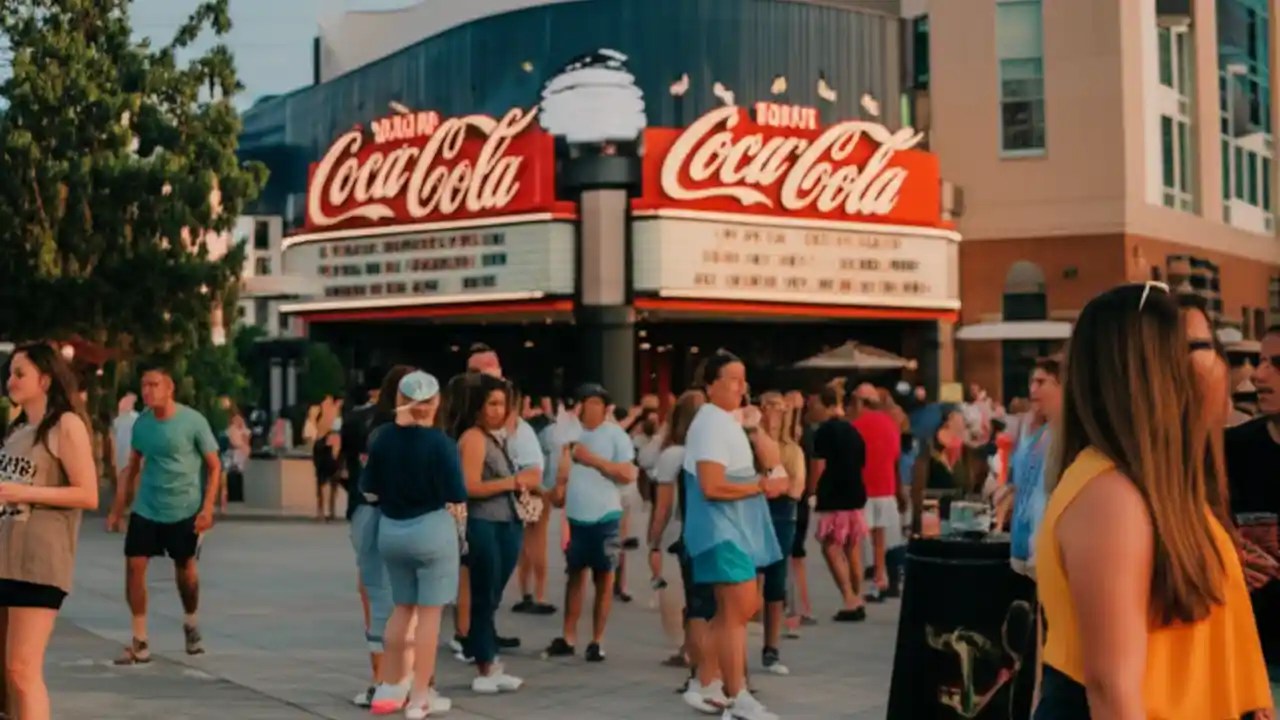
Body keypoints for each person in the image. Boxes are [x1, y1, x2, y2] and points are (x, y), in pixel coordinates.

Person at [1036, 282, 1272, 719]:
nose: (1222, 365)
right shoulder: (1110, 496)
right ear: (1149, 371)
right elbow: (1113, 691)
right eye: (1198, 347)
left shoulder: (1165, 489)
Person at [682, 351, 786, 720]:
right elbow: (711, 486)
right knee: (737, 609)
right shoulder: (710, 423)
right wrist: (759, 486)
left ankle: (708, 683)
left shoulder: (725, 421)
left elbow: (773, 462)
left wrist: (758, 428)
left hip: (729, 529)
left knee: (736, 610)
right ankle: (736, 693)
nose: (741, 386)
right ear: (710, 385)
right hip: (720, 529)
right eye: (732, 379)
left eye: (743, 379)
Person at [0, 344, 99, 720]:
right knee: (5, 677)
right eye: (10, 372)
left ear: (45, 379)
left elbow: (88, 493)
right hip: (6, 556)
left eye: (20, 373)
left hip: (39, 562)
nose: (11, 380)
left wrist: (25, 491)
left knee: (22, 670)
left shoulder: (65, 425)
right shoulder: (19, 430)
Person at [363, 371, 463, 718]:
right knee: (430, 616)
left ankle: (388, 688)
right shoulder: (441, 443)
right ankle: (421, 695)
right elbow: (456, 493)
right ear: (435, 403)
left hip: (391, 530)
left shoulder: (382, 439)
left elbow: (368, 488)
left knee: (401, 609)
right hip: (431, 529)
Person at [107, 364, 221, 664]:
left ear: (170, 388)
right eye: (144, 385)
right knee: (134, 566)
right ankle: (140, 639)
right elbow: (132, 467)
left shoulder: (193, 421)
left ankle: (191, 622)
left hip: (185, 508)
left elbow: (214, 466)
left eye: (154, 384)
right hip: (147, 507)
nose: (148, 391)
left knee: (185, 572)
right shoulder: (142, 424)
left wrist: (208, 508)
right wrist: (118, 509)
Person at [543, 383, 638, 662]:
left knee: (604, 577)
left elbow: (628, 473)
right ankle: (568, 636)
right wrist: (558, 486)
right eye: (585, 402)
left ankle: (597, 639)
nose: (589, 408)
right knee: (574, 575)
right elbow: (559, 473)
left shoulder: (615, 435)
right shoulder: (568, 435)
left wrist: (593, 460)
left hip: (606, 515)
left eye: (596, 403)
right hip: (574, 516)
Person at [453, 374, 536, 693]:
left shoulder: (498, 439)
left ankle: (484, 652)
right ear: (478, 407)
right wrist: (510, 483)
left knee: (494, 593)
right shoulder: (473, 439)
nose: (499, 410)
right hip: (485, 522)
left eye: (503, 404)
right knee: (484, 592)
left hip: (506, 521)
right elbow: (469, 486)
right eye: (493, 403)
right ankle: (485, 662)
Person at [343, 367, 411, 709]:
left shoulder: (361, 422)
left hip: (367, 512)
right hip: (405, 515)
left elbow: (349, 469)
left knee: (373, 593)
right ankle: (405, 677)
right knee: (406, 598)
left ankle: (381, 678)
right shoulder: (421, 429)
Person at [1227, 324, 1280, 696]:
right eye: (1260, 361)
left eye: (1277, 363)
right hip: (1251, 665)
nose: (1258, 375)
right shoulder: (1230, 450)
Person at [647, 390, 705, 670]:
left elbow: (663, 507)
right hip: (711, 530)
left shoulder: (672, 455)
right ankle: (696, 651)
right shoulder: (709, 451)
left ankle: (691, 652)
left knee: (688, 596)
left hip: (679, 531)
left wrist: (653, 540)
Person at [808, 386, 868, 622]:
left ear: (825, 404)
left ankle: (849, 598)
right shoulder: (853, 431)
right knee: (852, 545)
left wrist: (812, 492)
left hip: (833, 494)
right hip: (855, 491)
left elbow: (818, 466)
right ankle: (858, 595)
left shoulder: (823, 431)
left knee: (831, 546)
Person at [756, 392, 806, 676]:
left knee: (776, 581)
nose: (773, 413)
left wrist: (771, 484)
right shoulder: (750, 443)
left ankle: (771, 647)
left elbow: (796, 489)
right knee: (747, 578)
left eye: (779, 408)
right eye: (767, 407)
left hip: (782, 515)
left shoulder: (792, 449)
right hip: (754, 512)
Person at [1005, 357, 1061, 578]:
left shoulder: (1069, 437)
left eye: (1041, 382)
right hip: (1022, 547)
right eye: (1031, 382)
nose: (1033, 389)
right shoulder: (1036, 432)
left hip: (1046, 550)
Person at [850, 383, 903, 601]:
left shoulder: (856, 425)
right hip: (886, 487)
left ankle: (856, 588)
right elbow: (896, 455)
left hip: (863, 488)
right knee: (880, 539)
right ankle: (880, 580)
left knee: (857, 541)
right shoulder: (890, 423)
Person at [511, 383, 556, 616]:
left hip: (518, 488)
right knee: (538, 541)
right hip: (538, 488)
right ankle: (539, 593)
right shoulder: (542, 430)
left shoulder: (514, 429)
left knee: (524, 544)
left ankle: (526, 592)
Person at [312, 400, 343, 522]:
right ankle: (325, 511)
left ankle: (328, 510)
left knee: (329, 485)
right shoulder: (322, 442)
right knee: (325, 485)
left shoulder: (330, 438)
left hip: (328, 457)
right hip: (325, 457)